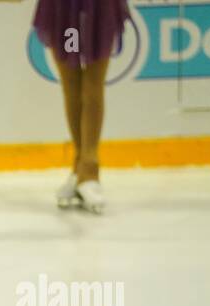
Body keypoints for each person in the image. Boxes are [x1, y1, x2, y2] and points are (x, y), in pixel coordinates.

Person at [33, 0, 131, 213]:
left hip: (99, 7)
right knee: (71, 84)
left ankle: (90, 167)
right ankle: (80, 168)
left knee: (93, 83)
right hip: (65, 9)